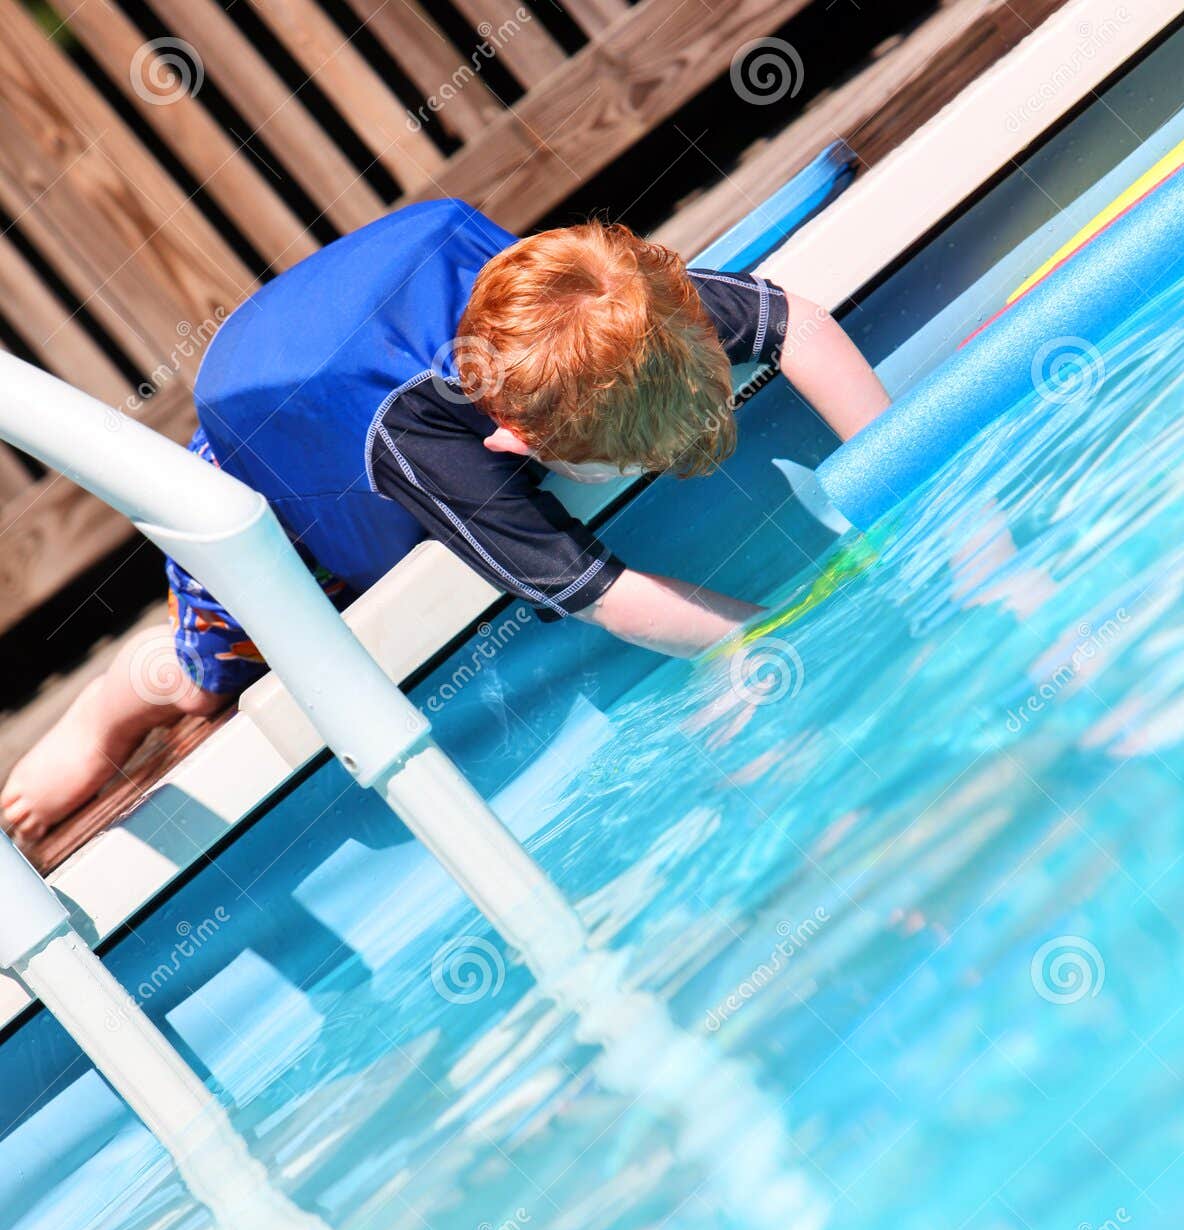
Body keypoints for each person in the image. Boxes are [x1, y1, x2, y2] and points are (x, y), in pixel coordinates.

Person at [2, 201, 889, 841]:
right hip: (264, 479)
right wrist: (762, 637)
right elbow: (603, 594)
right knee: (205, 677)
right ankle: (100, 720)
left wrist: (905, 475)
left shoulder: (610, 308)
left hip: (363, 353)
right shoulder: (432, 442)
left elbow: (796, 326)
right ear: (515, 441)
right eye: (630, 460)